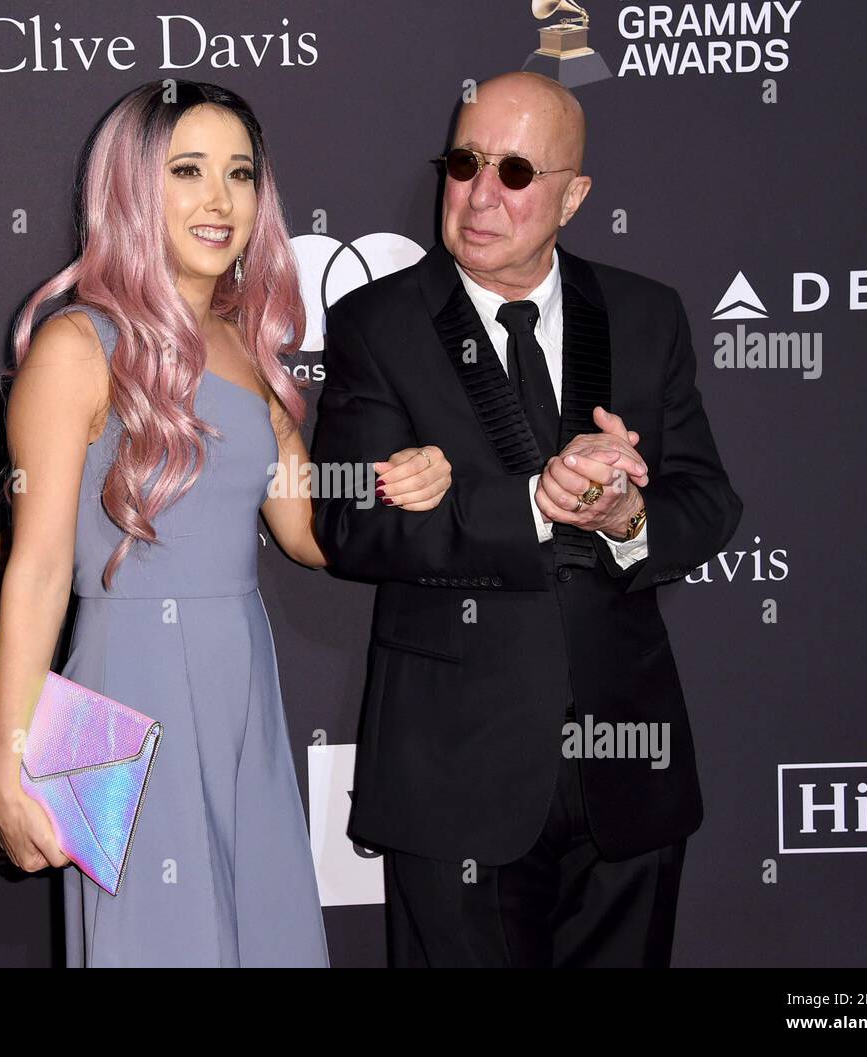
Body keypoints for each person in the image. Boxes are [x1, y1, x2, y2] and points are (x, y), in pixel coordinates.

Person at [0, 80, 455, 967]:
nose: (220, 199)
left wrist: (403, 483)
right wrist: (9, 760)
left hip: (244, 683)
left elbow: (312, 535)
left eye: (240, 173)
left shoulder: (246, 347)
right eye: (187, 171)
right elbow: (38, 570)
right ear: (129, 188)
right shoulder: (76, 346)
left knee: (260, 932)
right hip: (129, 686)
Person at [310, 71, 743, 968]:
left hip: (629, 765)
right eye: (464, 163)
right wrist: (529, 506)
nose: (478, 194)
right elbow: (353, 524)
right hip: (452, 772)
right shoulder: (376, 324)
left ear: (573, 195)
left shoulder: (643, 313)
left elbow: (707, 502)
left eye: (514, 172)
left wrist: (628, 517)